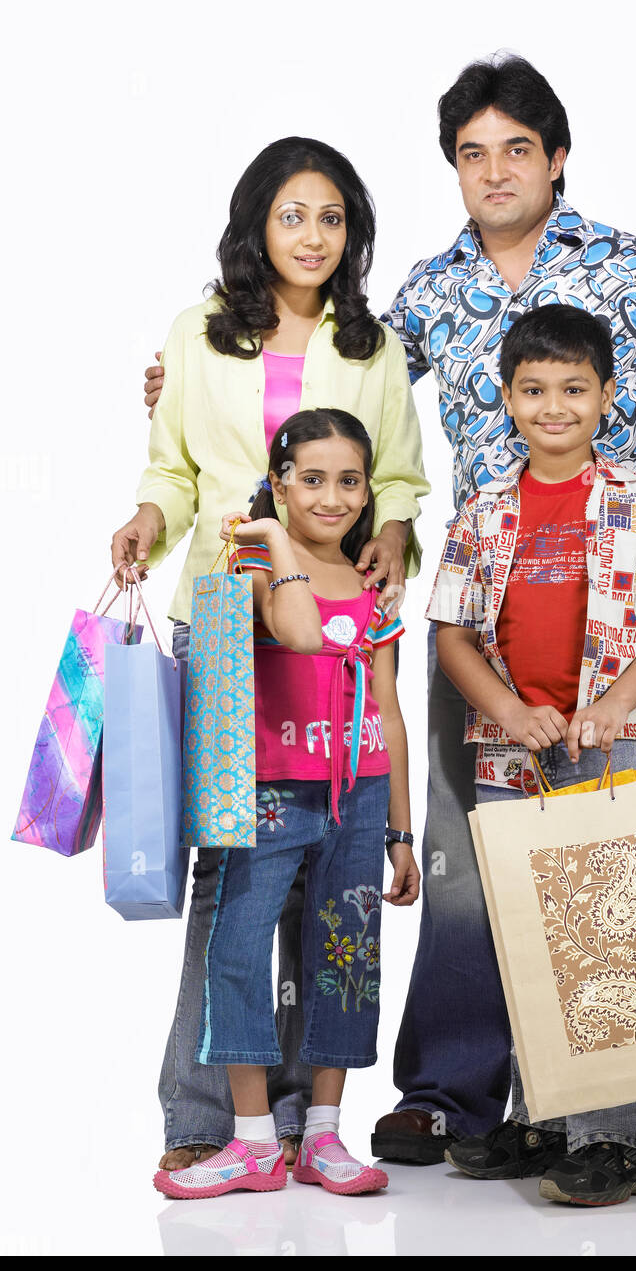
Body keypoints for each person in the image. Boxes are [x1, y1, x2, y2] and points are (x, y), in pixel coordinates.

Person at [143, 55, 636, 1164]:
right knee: (459, 861)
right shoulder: (431, 292)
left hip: (612, 603)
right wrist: (194, 378)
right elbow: (341, 404)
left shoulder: (631, 268)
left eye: (516, 149)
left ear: (558, 156)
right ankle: (453, 1093)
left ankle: (605, 1121)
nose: (494, 172)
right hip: (475, 607)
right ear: (454, 168)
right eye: (472, 153)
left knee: (602, 860)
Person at [112, 136, 429, 1174]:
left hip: (340, 621)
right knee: (233, 878)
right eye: (292, 215)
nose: (311, 235)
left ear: (352, 235)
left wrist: (389, 534)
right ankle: (209, 1117)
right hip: (228, 615)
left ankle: (308, 1117)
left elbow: (401, 480)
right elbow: (172, 466)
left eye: (331, 217)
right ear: (257, 225)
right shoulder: (197, 336)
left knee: (331, 881)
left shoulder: (373, 347)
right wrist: (144, 527)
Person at [427, 303, 636, 1205]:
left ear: (606, 397)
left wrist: (615, 706)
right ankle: (547, 1118)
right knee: (528, 942)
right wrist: (507, 710)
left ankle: (625, 1140)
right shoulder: (485, 508)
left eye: (574, 389)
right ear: (506, 398)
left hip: (608, 749)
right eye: (534, 390)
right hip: (511, 759)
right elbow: (455, 638)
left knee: (616, 942)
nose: (554, 406)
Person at [153, 408, 420, 1200]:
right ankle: (251, 1141)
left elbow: (390, 709)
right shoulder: (256, 566)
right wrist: (271, 538)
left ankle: (325, 1133)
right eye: (309, 480)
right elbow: (299, 635)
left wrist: (401, 830)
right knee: (235, 950)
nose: (331, 498)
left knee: (344, 960)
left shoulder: (374, 585)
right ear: (279, 483)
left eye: (348, 481)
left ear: (368, 488)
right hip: (265, 796)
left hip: (358, 794)